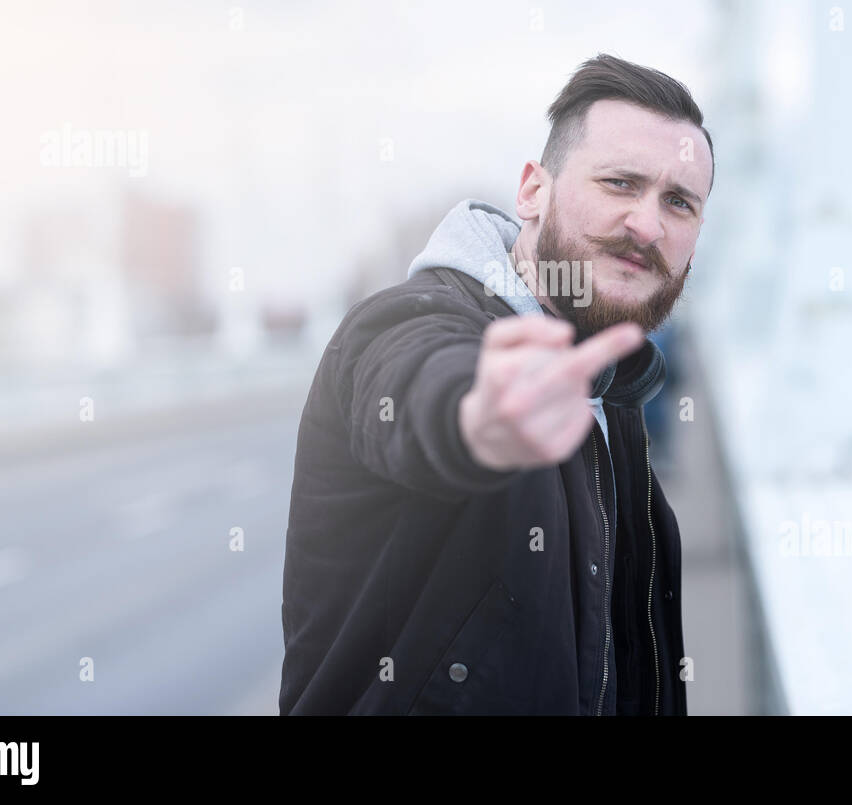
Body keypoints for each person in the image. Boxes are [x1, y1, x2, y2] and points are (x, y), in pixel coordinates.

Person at [279, 53, 715, 714]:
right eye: (621, 182)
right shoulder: (408, 322)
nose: (648, 225)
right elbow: (421, 380)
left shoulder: (612, 391)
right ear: (532, 191)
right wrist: (478, 416)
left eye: (679, 202)